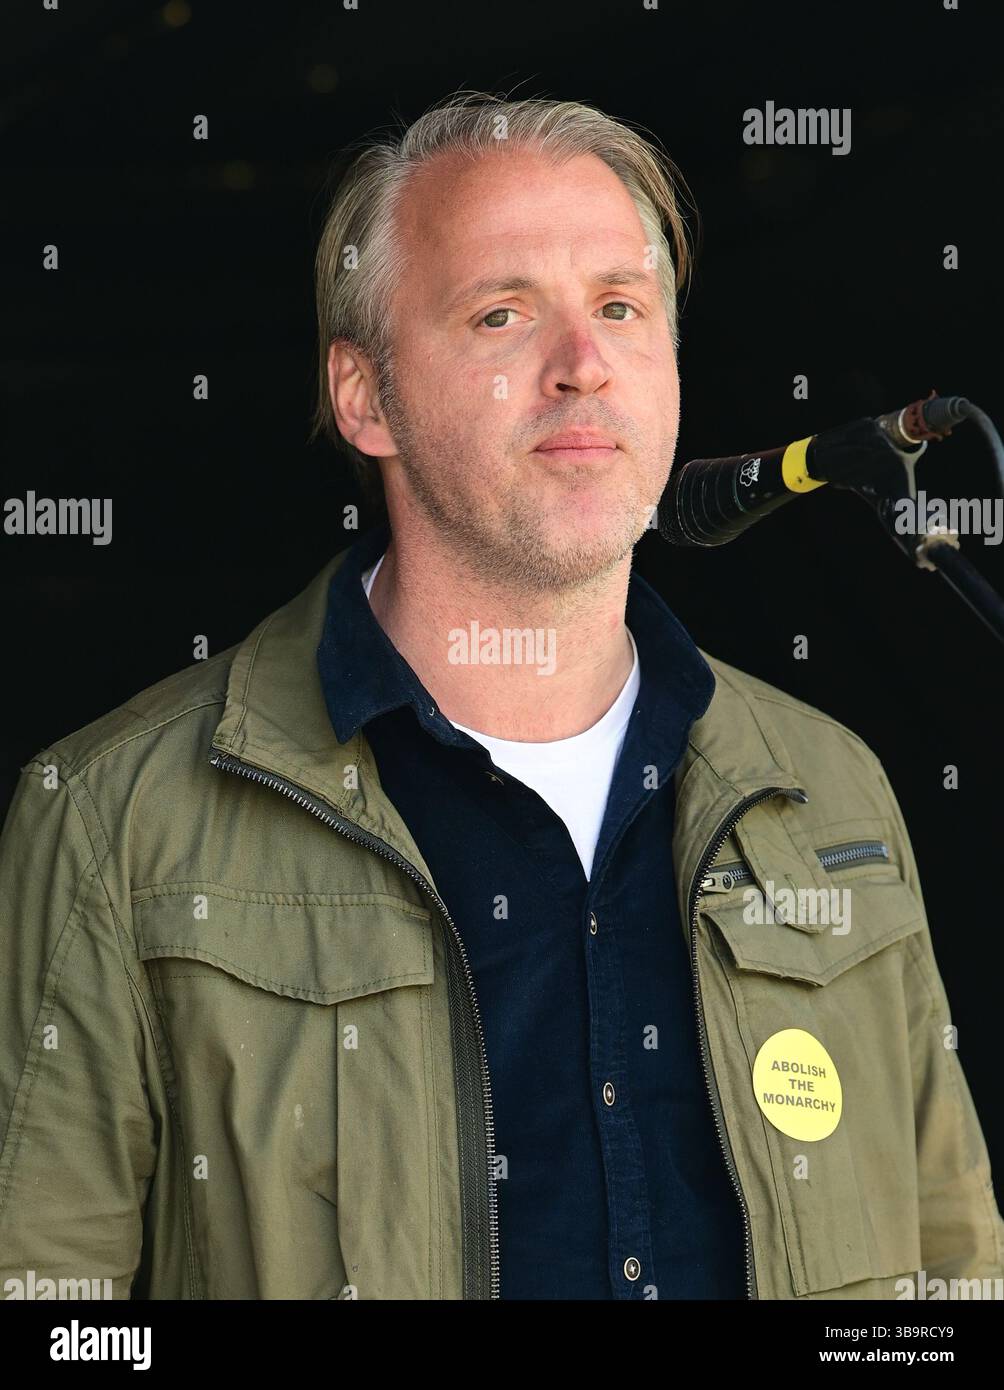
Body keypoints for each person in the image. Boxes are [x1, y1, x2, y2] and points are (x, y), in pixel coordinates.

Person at [1, 90, 1001, 1302]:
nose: (583, 366)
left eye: (621, 308)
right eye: (502, 314)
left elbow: (953, 1278)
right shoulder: (111, 822)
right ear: (365, 396)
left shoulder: (828, 785)